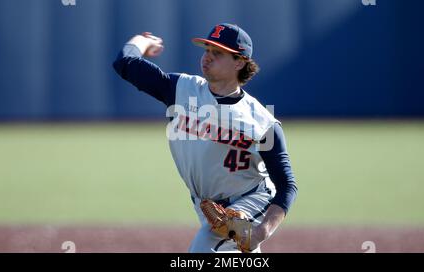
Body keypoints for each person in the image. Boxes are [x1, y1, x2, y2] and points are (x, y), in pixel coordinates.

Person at [113, 23, 297, 253]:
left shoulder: (262, 122)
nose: (207, 57)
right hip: (208, 206)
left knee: (202, 250)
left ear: (239, 62)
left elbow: (287, 185)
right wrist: (142, 41)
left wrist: (260, 233)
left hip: (250, 201)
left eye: (217, 53)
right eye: (207, 50)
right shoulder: (181, 89)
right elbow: (125, 64)